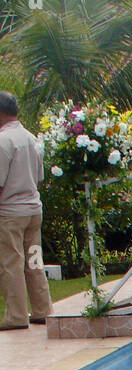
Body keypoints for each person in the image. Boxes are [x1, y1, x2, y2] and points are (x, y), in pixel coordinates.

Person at [0, 91, 53, 331]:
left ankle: (17, 316)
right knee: (34, 260)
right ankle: (42, 310)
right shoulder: (31, 138)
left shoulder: (3, 141)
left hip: (11, 212)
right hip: (34, 210)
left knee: (11, 264)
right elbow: (40, 177)